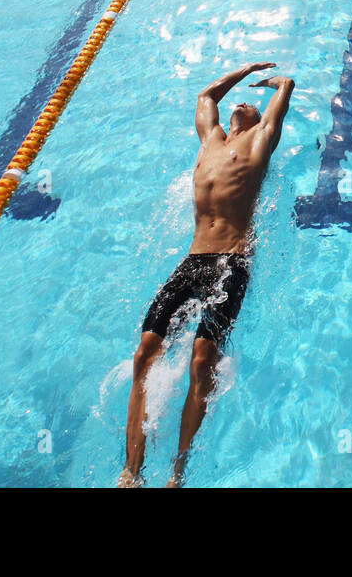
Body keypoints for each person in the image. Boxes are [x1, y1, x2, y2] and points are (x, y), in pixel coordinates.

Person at [118, 62, 295, 487]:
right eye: (244, 102)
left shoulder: (260, 141)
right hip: (193, 260)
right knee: (144, 353)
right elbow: (205, 98)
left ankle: (176, 474)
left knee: (202, 361)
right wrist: (245, 68)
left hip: (231, 262)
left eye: (253, 105)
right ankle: (131, 471)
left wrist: (269, 80)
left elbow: (286, 86)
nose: (247, 103)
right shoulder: (210, 140)